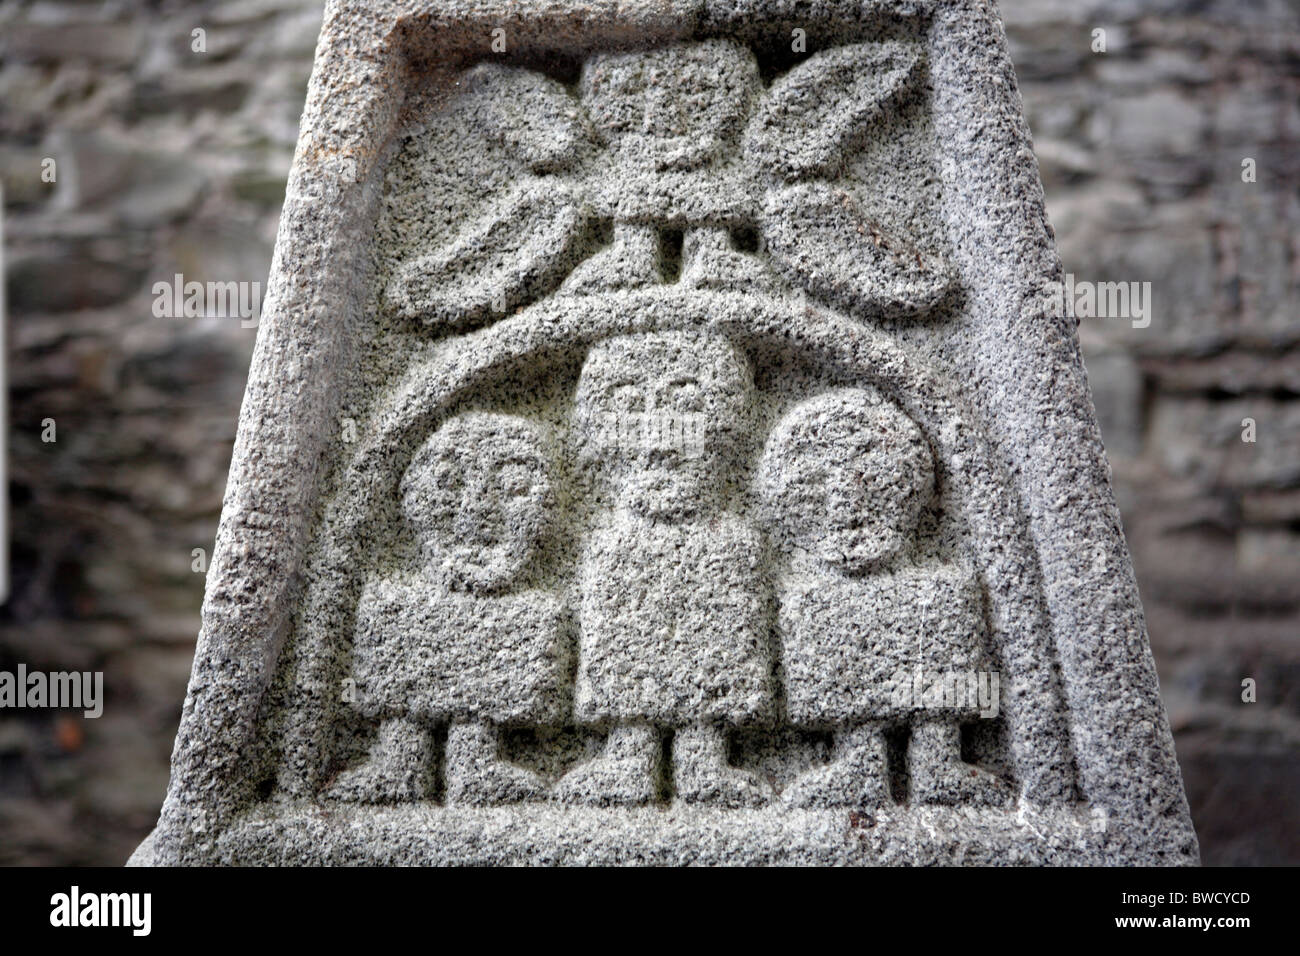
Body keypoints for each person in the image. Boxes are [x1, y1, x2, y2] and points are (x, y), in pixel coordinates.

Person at [757, 388, 1009, 807]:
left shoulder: (942, 589)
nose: (846, 496)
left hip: (923, 595)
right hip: (832, 600)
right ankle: (858, 762)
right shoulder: (811, 599)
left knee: (941, 619)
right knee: (821, 610)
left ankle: (938, 761)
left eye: (868, 469)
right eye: (817, 479)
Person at [556, 329, 775, 807]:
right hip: (626, 544)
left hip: (712, 544)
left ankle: (703, 760)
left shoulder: (735, 543)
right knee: (623, 652)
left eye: (687, 397)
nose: (660, 428)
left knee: (715, 652)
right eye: (630, 401)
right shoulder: (607, 544)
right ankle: (629, 755)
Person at [328, 413, 567, 805]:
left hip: (505, 618)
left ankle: (476, 762)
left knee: (515, 624)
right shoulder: (396, 607)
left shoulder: (529, 613)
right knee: (402, 627)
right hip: (415, 612)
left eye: (513, 485)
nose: (477, 509)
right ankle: (399, 762)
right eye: (449, 483)